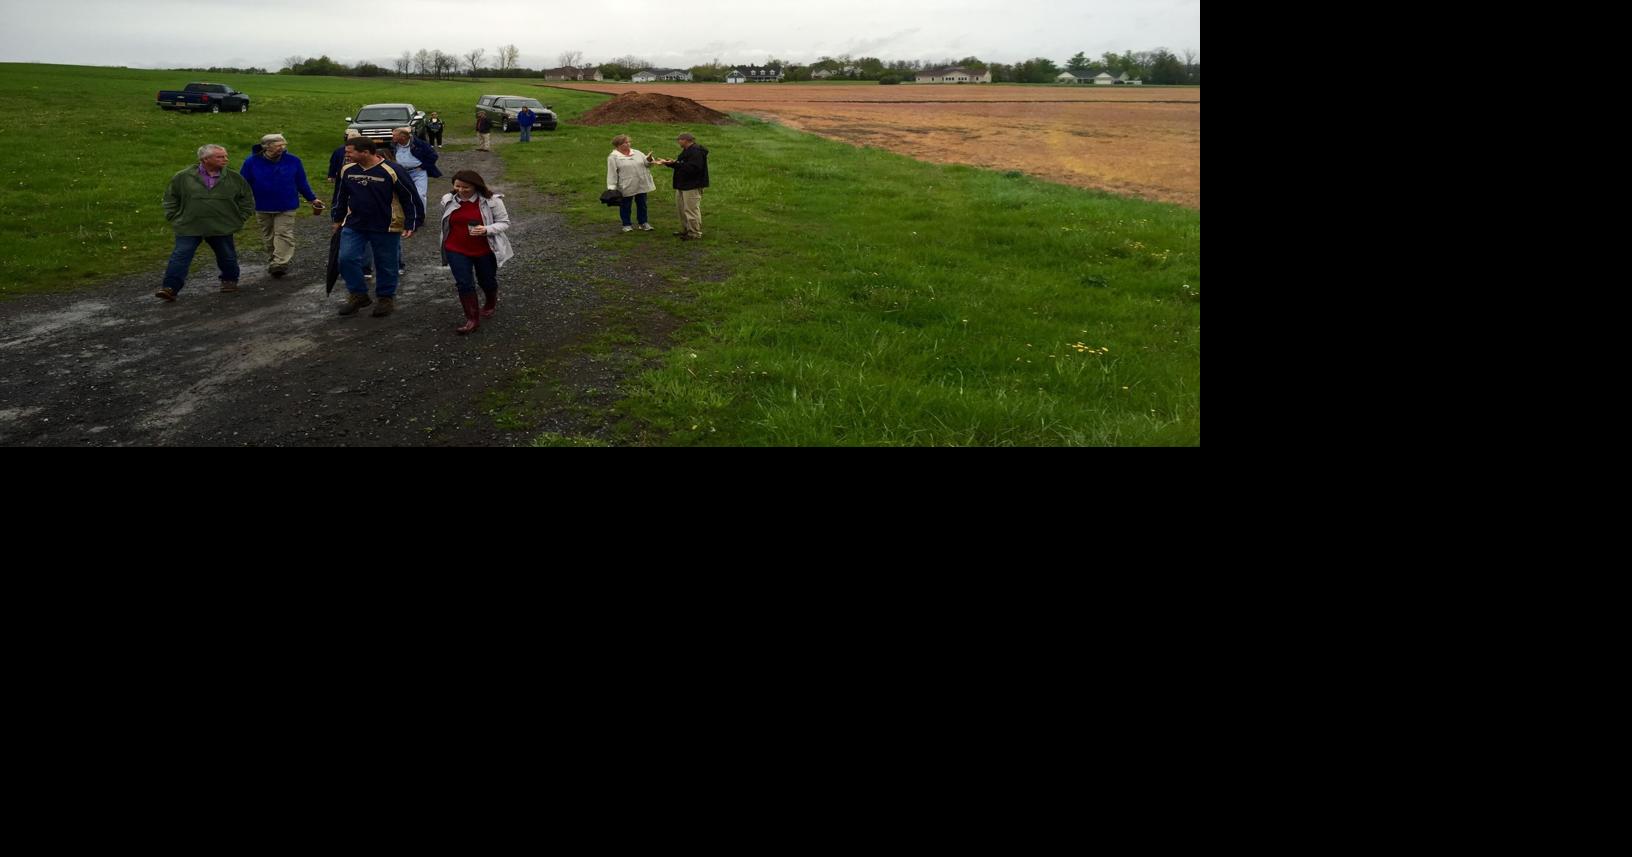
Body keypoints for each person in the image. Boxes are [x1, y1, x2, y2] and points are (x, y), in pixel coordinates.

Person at [330, 137, 422, 317]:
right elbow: (340, 196)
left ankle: (386, 298)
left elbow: (410, 197)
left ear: (365, 152)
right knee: (346, 258)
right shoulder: (347, 170)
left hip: (386, 225)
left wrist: (412, 222)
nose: (345, 154)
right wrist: (337, 219)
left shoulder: (392, 170)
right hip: (355, 223)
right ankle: (358, 295)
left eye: (349, 151)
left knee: (386, 264)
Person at [156, 143, 255, 301]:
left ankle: (229, 281)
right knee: (180, 256)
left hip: (222, 226)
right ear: (205, 159)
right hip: (189, 225)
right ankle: (170, 288)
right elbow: (170, 198)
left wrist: (239, 218)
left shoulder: (234, 178)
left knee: (227, 255)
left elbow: (247, 200)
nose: (225, 159)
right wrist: (173, 217)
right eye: (220, 157)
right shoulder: (183, 177)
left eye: (225, 156)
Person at [437, 170, 513, 334]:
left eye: (466, 187)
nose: (461, 190)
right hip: (455, 249)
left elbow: (504, 223)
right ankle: (472, 319)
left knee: (487, 281)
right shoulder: (447, 200)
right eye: (457, 186)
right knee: (464, 283)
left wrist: (486, 229)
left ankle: (490, 302)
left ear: (476, 186)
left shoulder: (492, 201)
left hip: (484, 249)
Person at [240, 133, 325, 277]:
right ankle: (273, 258)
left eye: (283, 145)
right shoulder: (251, 162)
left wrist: (312, 199)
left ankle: (280, 263)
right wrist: (239, 201)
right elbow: (243, 183)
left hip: (287, 204)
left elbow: (301, 182)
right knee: (268, 235)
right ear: (267, 146)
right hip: (262, 205)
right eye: (278, 145)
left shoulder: (293, 161)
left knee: (283, 233)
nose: (282, 148)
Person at [653, 132, 709, 240]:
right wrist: (671, 163)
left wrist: (676, 164)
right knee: (682, 209)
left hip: (692, 185)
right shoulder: (688, 150)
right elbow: (684, 164)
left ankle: (694, 233)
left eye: (679, 140)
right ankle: (686, 230)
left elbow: (693, 168)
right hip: (683, 185)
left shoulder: (696, 152)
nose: (678, 142)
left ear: (686, 140)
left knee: (691, 210)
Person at [606, 134, 656, 233]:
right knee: (625, 205)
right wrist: (612, 187)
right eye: (626, 142)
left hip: (641, 183)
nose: (628, 144)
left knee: (642, 204)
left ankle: (643, 223)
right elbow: (612, 172)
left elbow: (646, 164)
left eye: (629, 142)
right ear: (618, 145)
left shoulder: (637, 153)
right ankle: (626, 224)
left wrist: (649, 160)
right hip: (626, 185)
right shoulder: (613, 157)